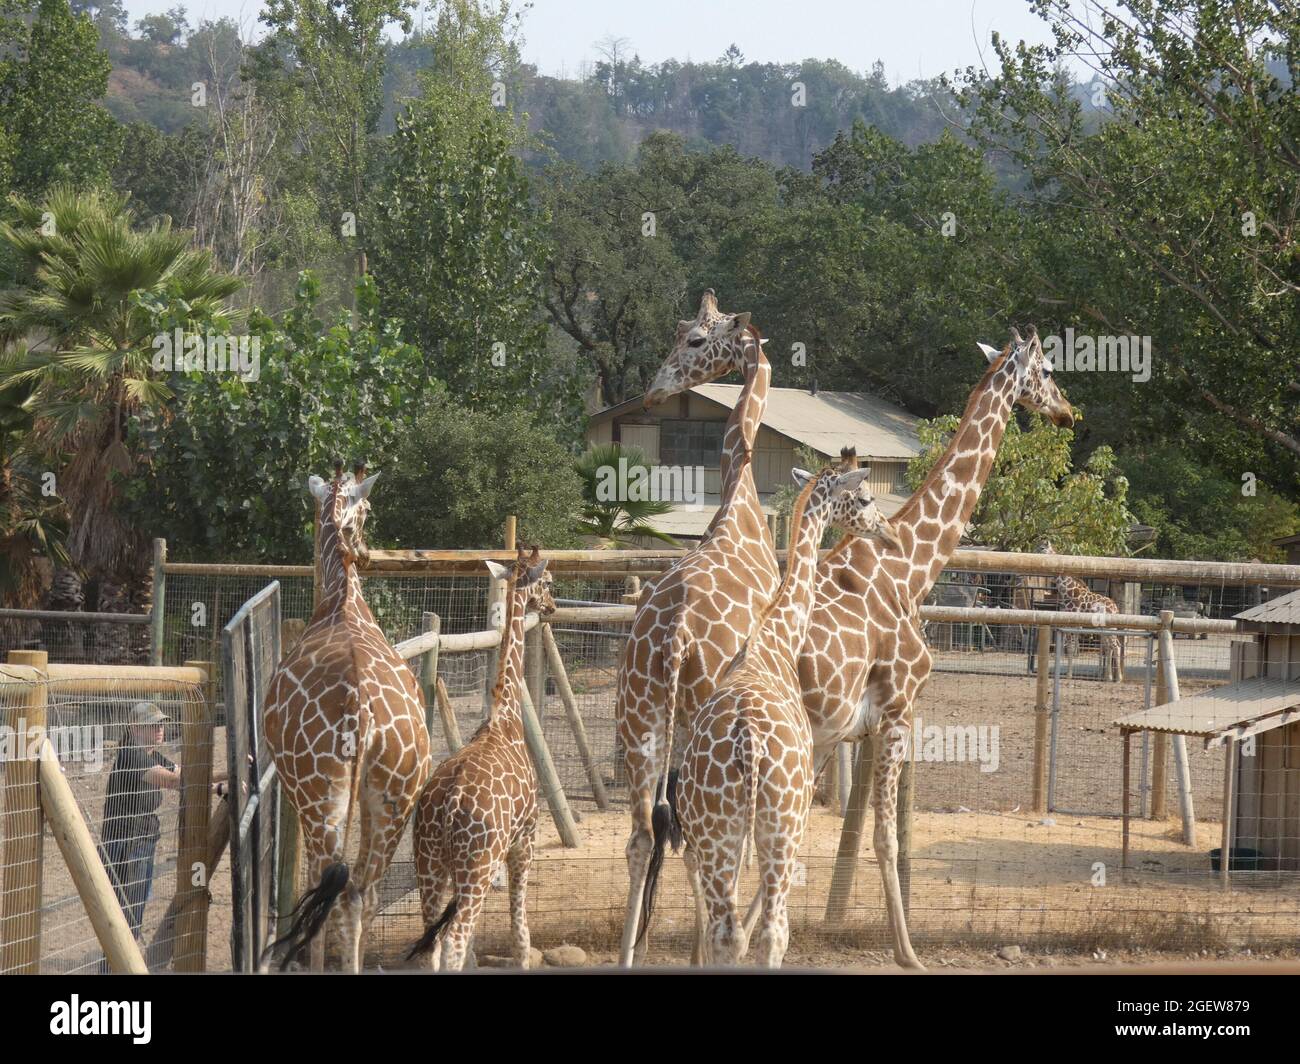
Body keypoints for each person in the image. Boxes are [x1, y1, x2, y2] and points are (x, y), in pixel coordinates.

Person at [101, 701, 228, 940]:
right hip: (124, 845)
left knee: (133, 913)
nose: (160, 729)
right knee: (125, 914)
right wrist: (219, 788)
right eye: (153, 724)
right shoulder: (131, 755)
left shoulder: (152, 755)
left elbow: (186, 773)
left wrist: (229, 772)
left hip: (142, 843)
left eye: (161, 723)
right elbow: (173, 781)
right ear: (136, 728)